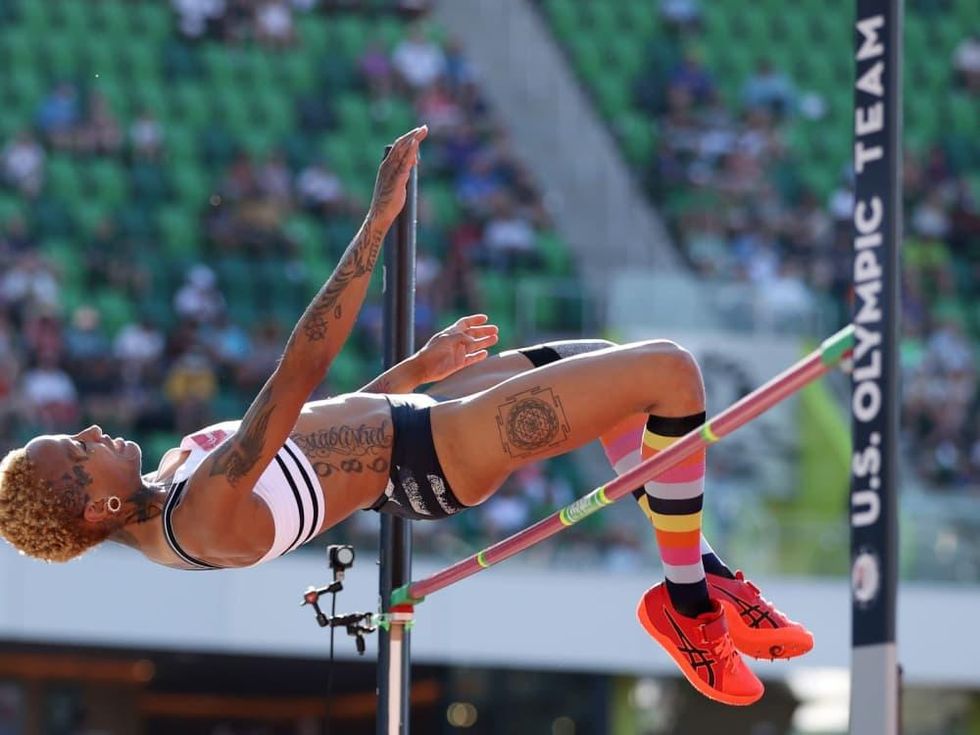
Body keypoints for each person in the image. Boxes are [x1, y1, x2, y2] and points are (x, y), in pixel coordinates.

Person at [0, 127, 810, 707]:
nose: (94, 431)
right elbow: (296, 376)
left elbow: (322, 430)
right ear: (96, 505)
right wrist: (377, 223)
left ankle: (699, 571)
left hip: (412, 419)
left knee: (596, 356)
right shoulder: (196, 519)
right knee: (670, 374)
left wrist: (418, 371)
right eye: (80, 448)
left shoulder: (172, 479)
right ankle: (689, 603)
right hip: (439, 452)